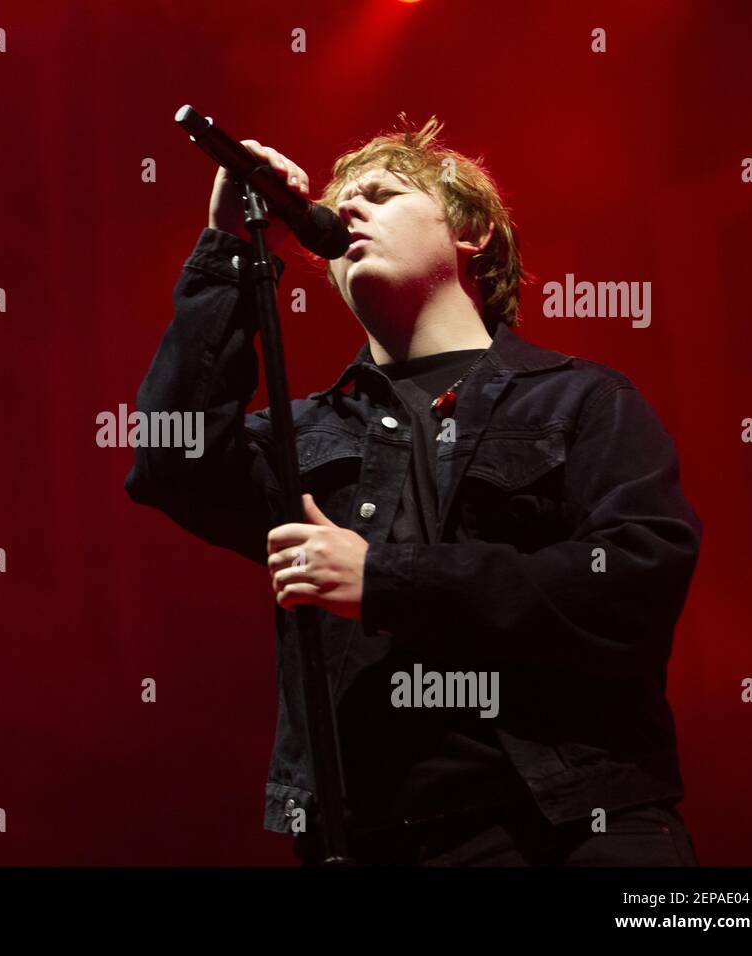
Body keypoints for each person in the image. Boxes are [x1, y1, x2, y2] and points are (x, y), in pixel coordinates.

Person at [124, 115, 702, 866]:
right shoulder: (302, 437)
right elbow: (172, 460)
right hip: (372, 840)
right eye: (339, 206)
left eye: (383, 194)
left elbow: (636, 579)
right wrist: (229, 250)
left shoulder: (580, 402)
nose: (350, 211)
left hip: (570, 829)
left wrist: (383, 578)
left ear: (473, 234)